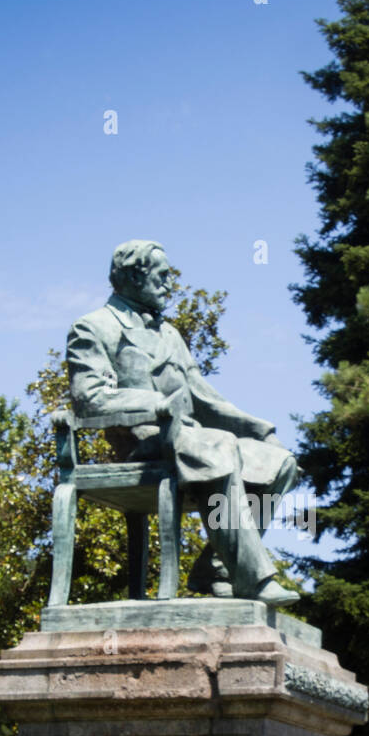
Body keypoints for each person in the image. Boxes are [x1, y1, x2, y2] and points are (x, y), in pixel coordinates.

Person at [67, 239, 299, 606]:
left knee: (279, 462)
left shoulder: (170, 334)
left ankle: (217, 570)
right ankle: (254, 580)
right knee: (218, 445)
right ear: (132, 276)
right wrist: (158, 403)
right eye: (161, 276)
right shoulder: (94, 327)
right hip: (143, 445)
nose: (168, 285)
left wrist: (259, 429)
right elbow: (89, 397)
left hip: (190, 440)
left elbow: (204, 398)